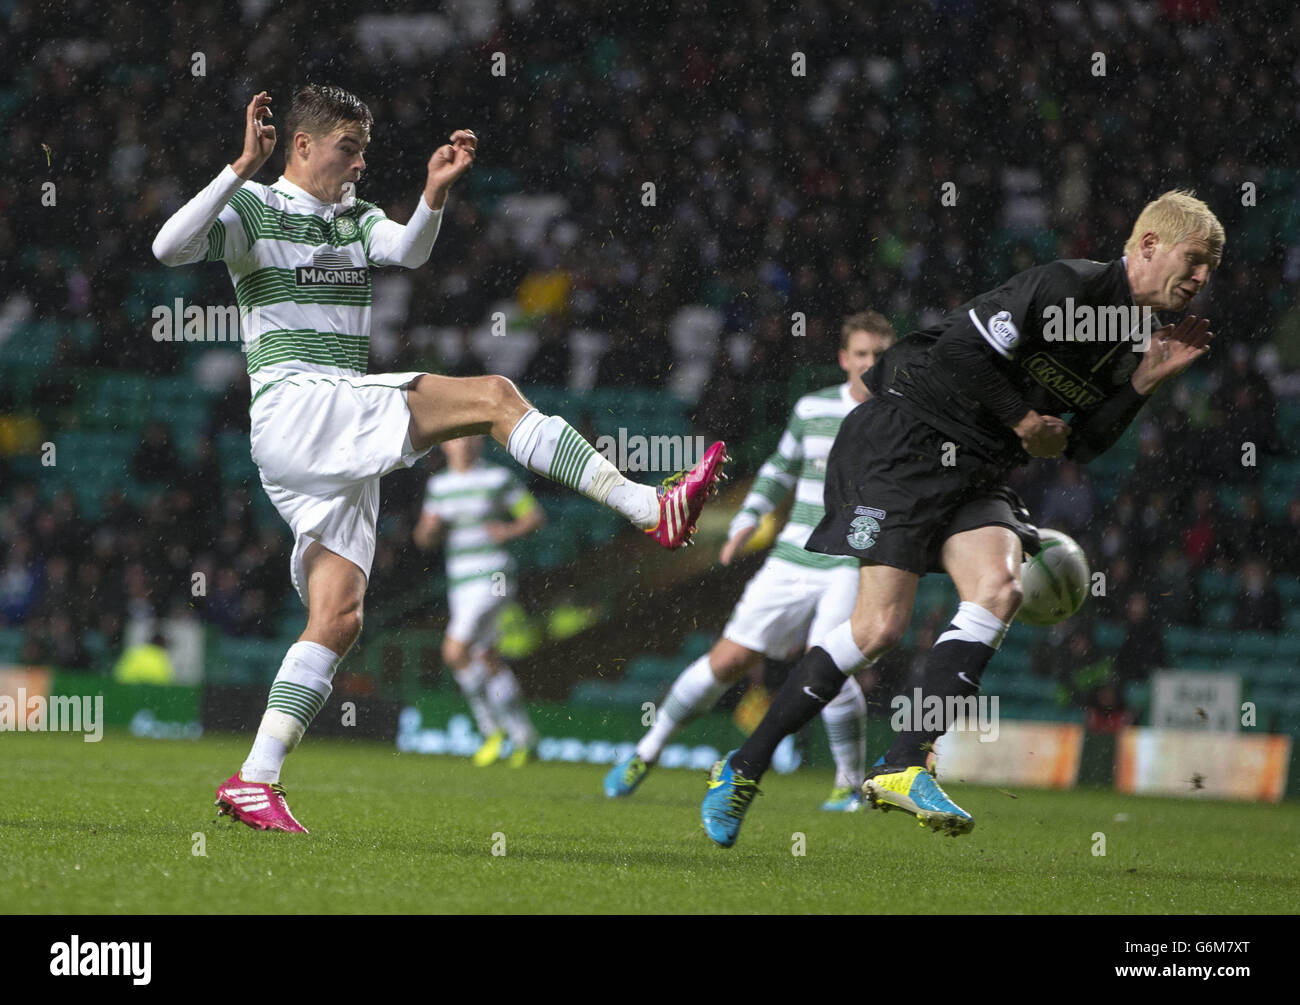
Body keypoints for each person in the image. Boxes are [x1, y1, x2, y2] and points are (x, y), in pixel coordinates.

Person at [152, 85, 726, 833]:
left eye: (364, 149)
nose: (359, 162)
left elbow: (407, 250)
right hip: (301, 404)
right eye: (346, 148)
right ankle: (650, 507)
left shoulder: (354, 218)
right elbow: (167, 247)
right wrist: (238, 166)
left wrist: (432, 195)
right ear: (300, 145)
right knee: (492, 394)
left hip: (331, 437)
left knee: (337, 615)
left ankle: (255, 777)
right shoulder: (255, 210)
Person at [701, 189, 1221, 845]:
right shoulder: (1066, 286)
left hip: (980, 465)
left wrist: (1144, 383)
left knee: (1000, 589)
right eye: (1195, 258)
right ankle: (743, 766)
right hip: (908, 438)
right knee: (879, 627)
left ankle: (902, 759)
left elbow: (1081, 444)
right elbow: (956, 353)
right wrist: (1023, 418)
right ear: (1149, 245)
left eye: (1211, 268)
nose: (1202, 278)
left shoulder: (1131, 342)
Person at [604, 313, 895, 810]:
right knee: (727, 660)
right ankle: (646, 751)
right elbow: (780, 468)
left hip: (851, 559)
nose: (870, 364)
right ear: (845, 358)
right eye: (862, 354)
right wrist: (747, 518)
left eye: (879, 356)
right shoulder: (812, 408)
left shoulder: (899, 419)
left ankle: (849, 786)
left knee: (832, 660)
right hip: (790, 556)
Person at [414, 435, 543, 766]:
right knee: (486, 657)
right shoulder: (439, 486)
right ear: (446, 445)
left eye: (471, 438)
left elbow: (534, 516)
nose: (465, 444)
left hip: (494, 577)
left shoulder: (498, 478)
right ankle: (524, 737)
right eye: (458, 438)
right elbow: (423, 539)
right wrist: (428, 530)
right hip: (460, 580)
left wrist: (508, 530)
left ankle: (490, 729)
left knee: (454, 651)